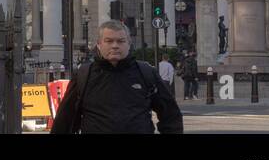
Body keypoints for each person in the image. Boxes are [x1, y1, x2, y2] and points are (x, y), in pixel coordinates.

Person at [51, 20, 183, 134]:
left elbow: (170, 115)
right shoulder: (84, 75)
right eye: (109, 41)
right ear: (99, 44)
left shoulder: (146, 73)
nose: (115, 45)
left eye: (120, 41)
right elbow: (64, 119)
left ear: (129, 44)